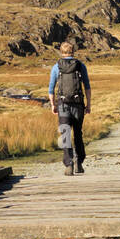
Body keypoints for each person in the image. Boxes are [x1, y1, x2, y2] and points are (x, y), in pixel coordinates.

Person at [48, 40, 91, 175]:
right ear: (73, 52)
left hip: (63, 105)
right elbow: (87, 86)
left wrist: (53, 104)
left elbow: (51, 88)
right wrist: (88, 104)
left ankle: (68, 164)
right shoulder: (80, 65)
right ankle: (79, 162)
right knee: (78, 133)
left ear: (61, 52)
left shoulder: (56, 67)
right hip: (78, 104)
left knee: (65, 133)